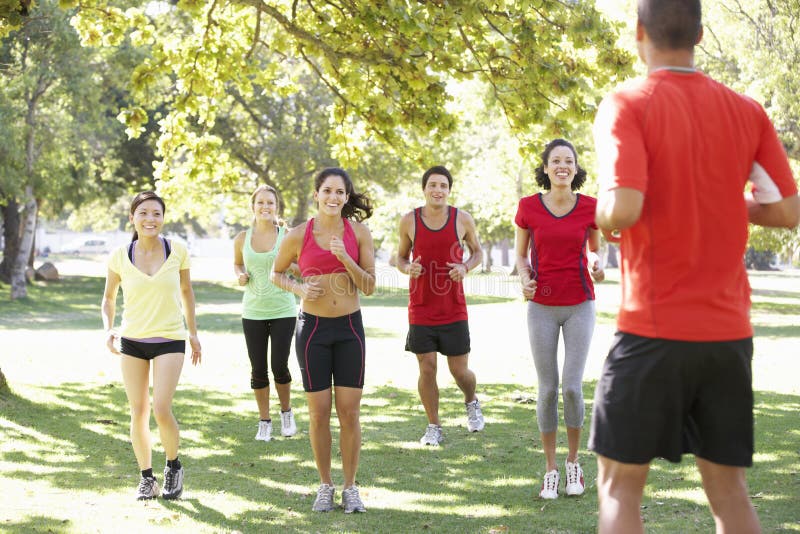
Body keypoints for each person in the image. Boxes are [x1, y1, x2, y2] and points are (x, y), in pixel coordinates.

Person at [590, 0, 800, 531]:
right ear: (700, 35)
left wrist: (601, 211)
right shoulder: (746, 111)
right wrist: (726, 202)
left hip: (651, 330)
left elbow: (626, 206)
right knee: (729, 493)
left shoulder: (626, 103)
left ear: (638, 31)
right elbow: (787, 210)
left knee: (619, 488)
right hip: (728, 336)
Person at [271, 167, 375, 513]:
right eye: (327, 191)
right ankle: (325, 486)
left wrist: (345, 257)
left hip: (349, 329)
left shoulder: (358, 233)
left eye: (340, 193)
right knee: (318, 414)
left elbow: (370, 286)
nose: (333, 198)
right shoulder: (298, 235)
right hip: (313, 329)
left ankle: (351, 487)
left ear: (347, 197)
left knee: (349, 412)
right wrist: (299, 287)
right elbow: (276, 272)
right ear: (316, 194)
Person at [514, 139, 604, 500]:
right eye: (556, 161)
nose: (562, 166)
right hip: (542, 306)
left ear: (576, 168)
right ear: (546, 168)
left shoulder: (591, 207)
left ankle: (573, 463)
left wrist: (599, 261)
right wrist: (524, 277)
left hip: (580, 302)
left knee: (571, 386)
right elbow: (521, 256)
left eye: (569, 161)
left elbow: (597, 248)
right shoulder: (528, 207)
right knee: (548, 388)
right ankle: (550, 468)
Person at [101, 191, 202, 501]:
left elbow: (187, 292)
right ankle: (147, 477)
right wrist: (108, 329)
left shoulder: (178, 250)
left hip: (170, 339)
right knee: (138, 411)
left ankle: (173, 466)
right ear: (132, 218)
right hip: (132, 340)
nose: (150, 219)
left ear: (163, 217)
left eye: (156, 213)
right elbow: (107, 298)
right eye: (143, 213)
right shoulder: (120, 255)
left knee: (160, 408)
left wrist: (193, 333)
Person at [396, 165, 485, 447]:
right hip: (421, 306)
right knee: (427, 368)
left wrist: (465, 266)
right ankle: (433, 425)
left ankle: (471, 400)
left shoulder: (462, 219)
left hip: (453, 306)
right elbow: (398, 258)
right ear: (424, 189)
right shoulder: (409, 220)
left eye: (443, 186)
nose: (437, 190)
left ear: (449, 190)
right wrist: (408, 267)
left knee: (459, 371)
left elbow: (478, 252)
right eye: (432, 185)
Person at [233, 185, 298, 442]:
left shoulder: (288, 235)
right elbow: (238, 263)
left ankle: (286, 414)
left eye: (270, 203)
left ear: (276, 207)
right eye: (260, 202)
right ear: (253, 207)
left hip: (283, 309)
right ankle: (264, 421)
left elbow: (301, 266)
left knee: (279, 366)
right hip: (253, 312)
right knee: (258, 369)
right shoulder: (241, 238)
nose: (265, 207)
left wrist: (290, 267)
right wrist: (240, 275)